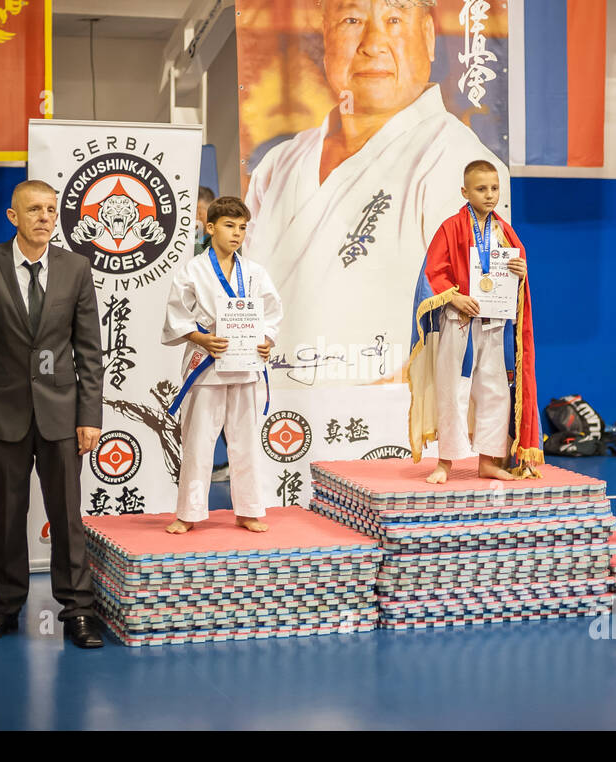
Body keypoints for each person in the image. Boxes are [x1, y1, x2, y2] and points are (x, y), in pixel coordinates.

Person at [244, 0, 509, 374]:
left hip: (392, 415)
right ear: (325, 37)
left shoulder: (460, 162)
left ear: (428, 36)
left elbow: (474, 320)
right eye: (351, 20)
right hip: (272, 407)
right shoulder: (278, 165)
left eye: (394, 19)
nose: (372, 43)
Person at [0, 180, 106, 647]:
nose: (44, 216)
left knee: (67, 519)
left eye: (50, 209)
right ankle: (4, 608)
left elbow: (88, 351)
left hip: (62, 415)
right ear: (12, 216)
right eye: (33, 209)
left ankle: (77, 611)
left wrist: (91, 416)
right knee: (8, 515)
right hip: (4, 417)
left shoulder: (75, 268)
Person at [407, 160, 541, 483]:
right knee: (453, 389)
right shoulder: (450, 228)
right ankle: (445, 463)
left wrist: (521, 273)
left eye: (494, 188)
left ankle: (489, 461)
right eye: (481, 189)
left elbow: (515, 275)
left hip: (494, 325)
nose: (490, 195)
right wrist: (454, 297)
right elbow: (431, 273)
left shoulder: (505, 231)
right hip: (460, 322)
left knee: (495, 391)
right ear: (465, 191)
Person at [162, 196, 283, 533]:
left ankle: (248, 510)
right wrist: (201, 339)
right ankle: (188, 513)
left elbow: (272, 314)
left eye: (242, 228)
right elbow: (176, 316)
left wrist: (266, 341)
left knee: (244, 441)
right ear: (211, 227)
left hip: (245, 366)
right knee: (199, 441)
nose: (236, 234)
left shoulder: (256, 273)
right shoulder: (192, 271)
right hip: (207, 364)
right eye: (229, 226)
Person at [194, 186, 215, 256]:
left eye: (196, 211)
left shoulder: (217, 238)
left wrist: (189, 229)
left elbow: (202, 263)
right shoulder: (199, 236)